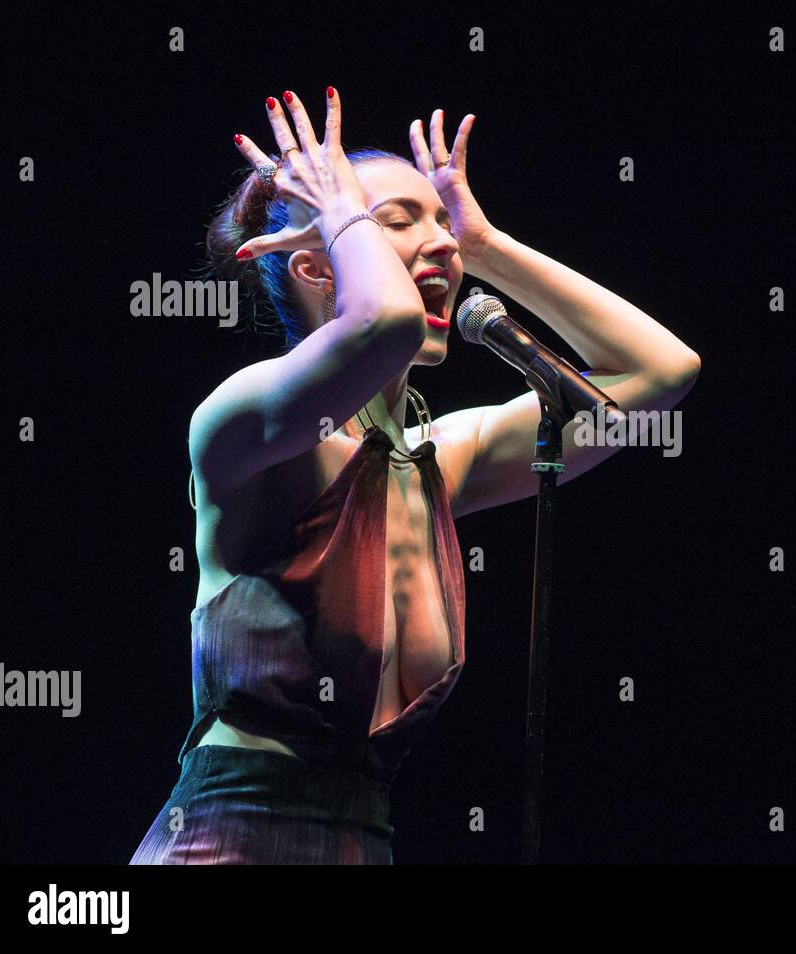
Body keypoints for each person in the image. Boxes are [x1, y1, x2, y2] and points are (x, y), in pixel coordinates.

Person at [129, 87, 700, 864]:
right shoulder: (244, 422)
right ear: (316, 266)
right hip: (226, 844)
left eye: (443, 224)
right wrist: (340, 214)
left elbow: (661, 373)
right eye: (397, 222)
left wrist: (489, 243)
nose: (443, 246)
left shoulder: (440, 460)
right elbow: (386, 324)